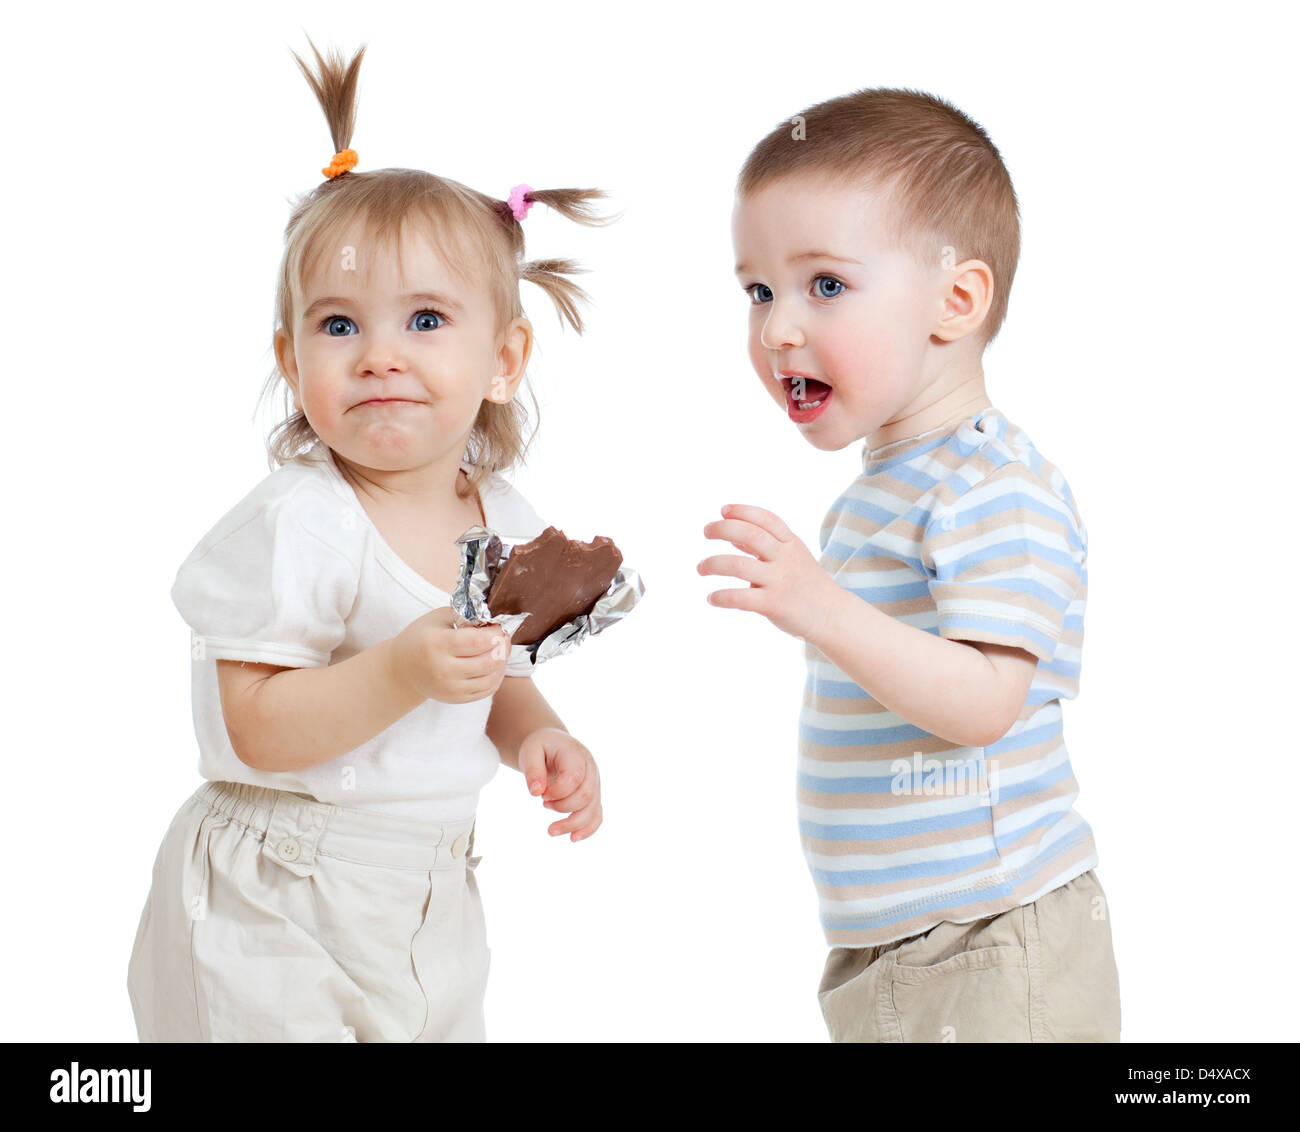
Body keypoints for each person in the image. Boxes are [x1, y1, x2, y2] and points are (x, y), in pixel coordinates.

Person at [127, 36, 612, 1042]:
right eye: (339, 326)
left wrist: (537, 734)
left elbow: (490, 672)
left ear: (503, 357)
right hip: (277, 894)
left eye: (426, 319)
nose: (380, 354)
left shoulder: (503, 520)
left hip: (430, 892)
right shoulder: (303, 519)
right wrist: (402, 668)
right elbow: (254, 725)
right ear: (291, 357)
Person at [700, 87, 1121, 1042]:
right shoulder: (889, 487)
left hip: (989, 934)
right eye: (758, 291)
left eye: (826, 286)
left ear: (955, 300)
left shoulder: (991, 486)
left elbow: (983, 704)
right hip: (899, 941)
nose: (777, 331)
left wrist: (822, 606)